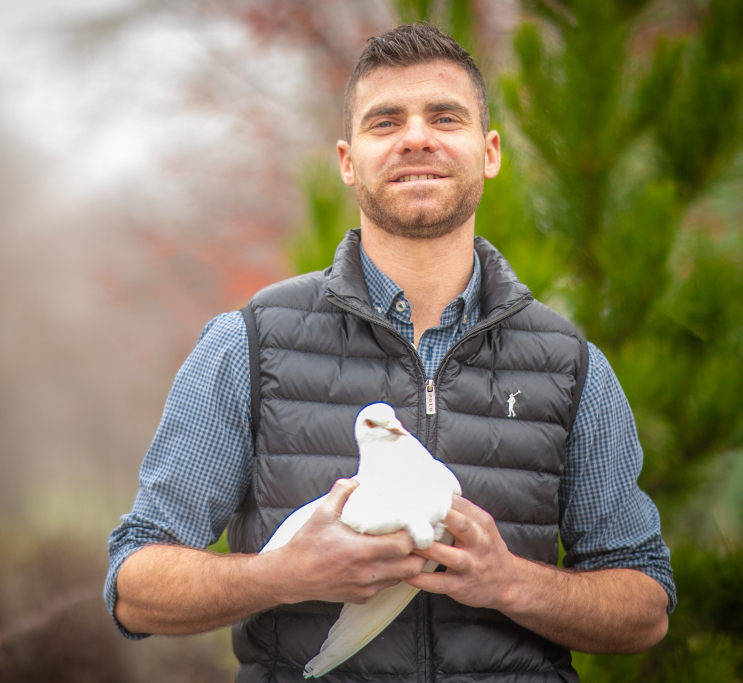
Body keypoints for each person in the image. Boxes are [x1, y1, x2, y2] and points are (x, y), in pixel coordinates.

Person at [105, 24, 675, 683]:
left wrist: (507, 581)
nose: (416, 137)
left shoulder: (572, 365)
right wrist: (285, 573)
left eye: (444, 116)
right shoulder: (247, 344)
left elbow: (646, 607)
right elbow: (134, 584)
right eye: (386, 121)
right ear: (347, 162)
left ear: (489, 152)